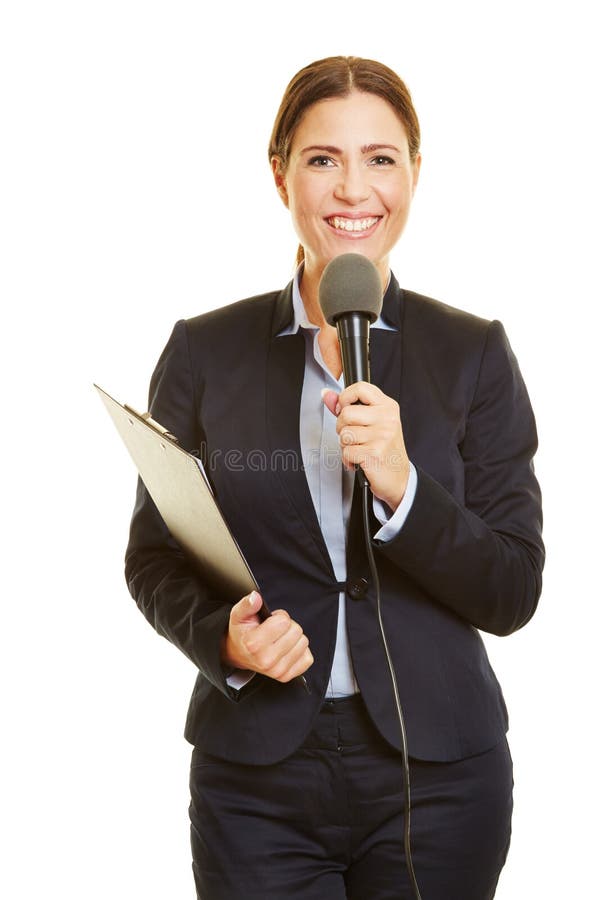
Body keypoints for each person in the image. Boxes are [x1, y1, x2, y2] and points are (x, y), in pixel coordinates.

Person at [125, 56, 544, 900]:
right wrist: (223, 639)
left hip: (440, 782)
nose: (354, 189)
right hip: (256, 784)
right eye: (323, 159)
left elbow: (512, 591)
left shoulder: (474, 355)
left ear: (415, 174)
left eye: (381, 159)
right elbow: (153, 557)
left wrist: (405, 485)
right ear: (280, 171)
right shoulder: (205, 352)